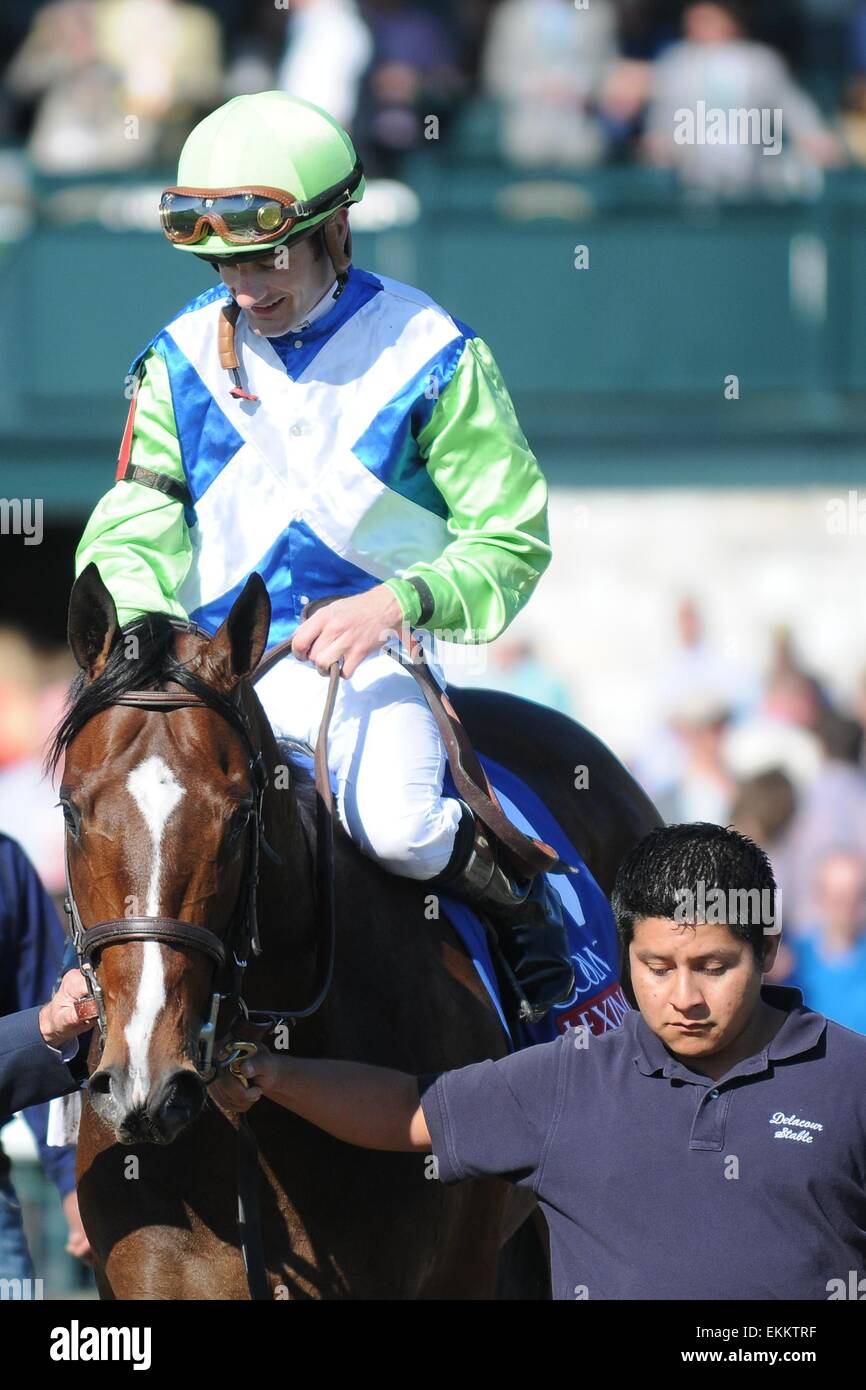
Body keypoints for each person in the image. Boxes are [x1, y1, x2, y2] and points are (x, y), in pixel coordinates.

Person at [73, 90, 574, 1023]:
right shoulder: (176, 359)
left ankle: (526, 922)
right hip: (213, 666)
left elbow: (512, 537)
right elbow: (133, 519)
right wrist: (148, 644)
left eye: (267, 256)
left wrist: (399, 603)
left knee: (401, 823)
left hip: (370, 655)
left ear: (333, 230)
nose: (247, 286)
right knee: (117, 815)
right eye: (224, 264)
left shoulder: (433, 352)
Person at [211, 823, 866, 1301]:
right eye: (657, 967)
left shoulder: (852, 1080)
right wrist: (272, 1073)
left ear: (769, 946)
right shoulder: (568, 1080)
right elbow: (408, 1109)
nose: (684, 998)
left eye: (714, 967)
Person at [0, 835, 91, 1278]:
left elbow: (49, 1049)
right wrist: (44, 1028)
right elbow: (44, 1028)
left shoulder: (5, 862)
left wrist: (72, 1181)